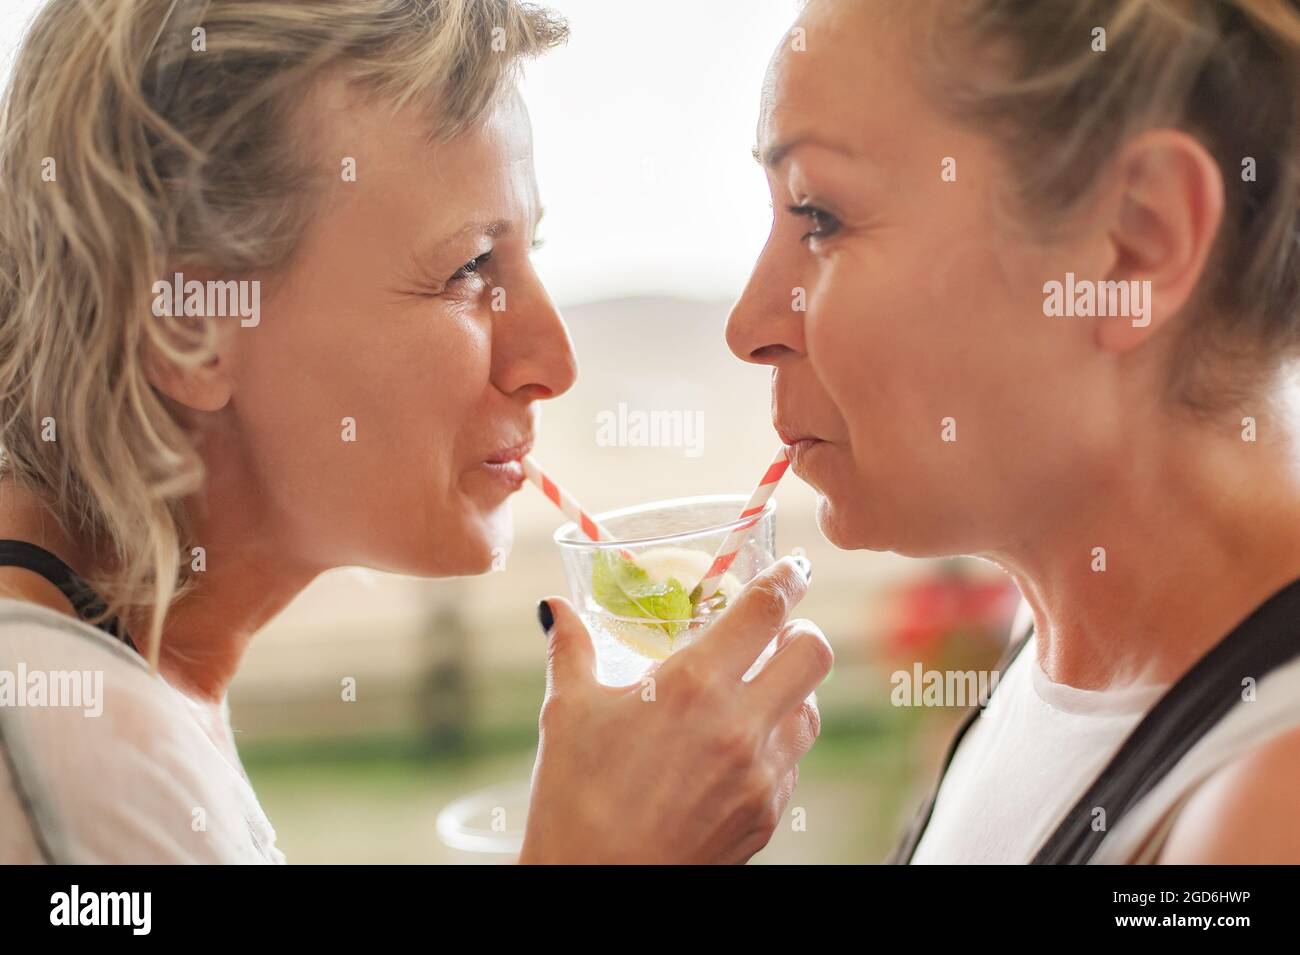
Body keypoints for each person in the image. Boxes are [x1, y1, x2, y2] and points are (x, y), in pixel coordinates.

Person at [0, 0, 830, 864]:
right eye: (472, 267)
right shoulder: (70, 751)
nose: (552, 359)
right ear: (188, 324)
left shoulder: (127, 688)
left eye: (531, 251)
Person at [727, 0, 1300, 862]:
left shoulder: (1262, 815)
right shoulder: (1051, 642)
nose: (749, 324)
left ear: (1134, 246)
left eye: (822, 216)